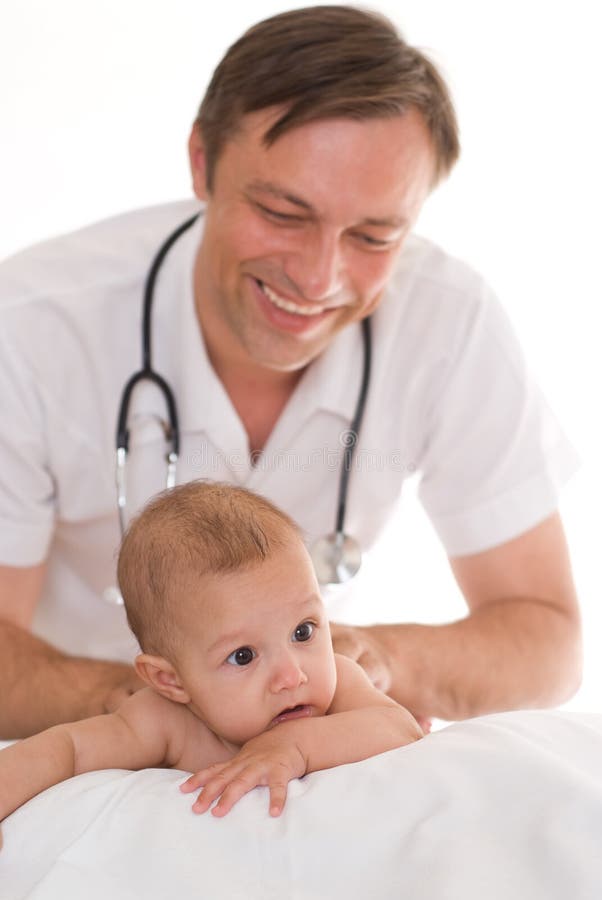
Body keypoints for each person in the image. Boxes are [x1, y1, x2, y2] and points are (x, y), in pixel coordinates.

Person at [0, 6, 582, 739]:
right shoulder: (28, 327)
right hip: (87, 740)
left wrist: (376, 659)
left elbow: (548, 639)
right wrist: (168, 705)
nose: (318, 277)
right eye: (283, 212)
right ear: (203, 163)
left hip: (300, 738)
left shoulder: (449, 319)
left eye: (373, 235)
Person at [0, 481, 423, 841]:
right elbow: (69, 749)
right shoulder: (167, 720)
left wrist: (294, 747)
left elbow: (400, 730)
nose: (291, 675)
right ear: (171, 681)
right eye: (243, 656)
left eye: (303, 631)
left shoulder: (340, 687)